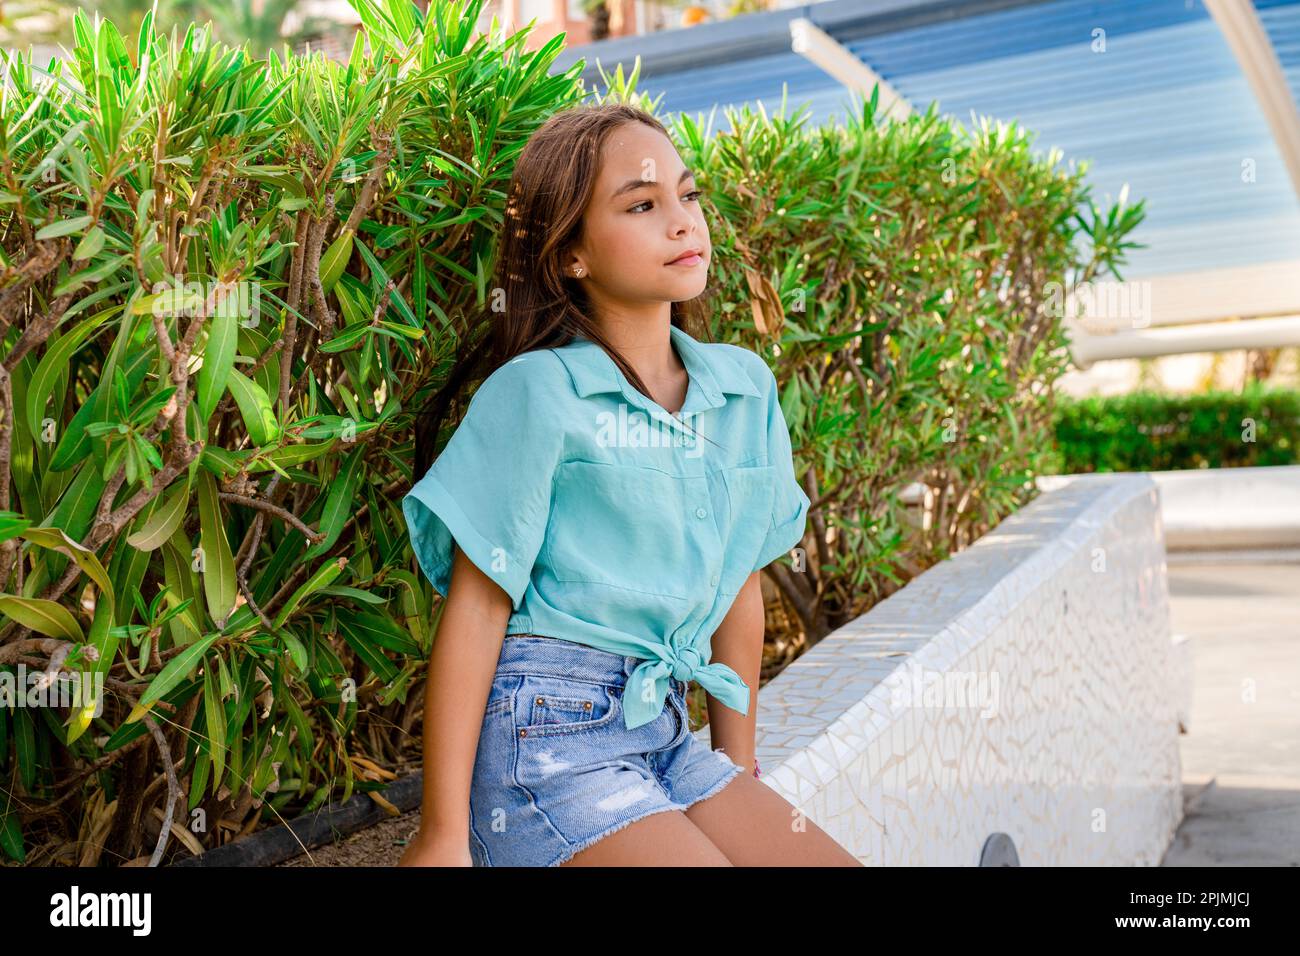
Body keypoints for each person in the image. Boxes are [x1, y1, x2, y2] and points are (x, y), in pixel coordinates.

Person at [397, 102, 860, 867]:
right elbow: (478, 608)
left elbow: (741, 582)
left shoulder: (744, 389)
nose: (683, 222)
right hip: (547, 743)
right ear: (570, 255)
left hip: (667, 738)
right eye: (643, 205)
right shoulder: (538, 393)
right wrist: (442, 835)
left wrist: (736, 768)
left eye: (688, 196)